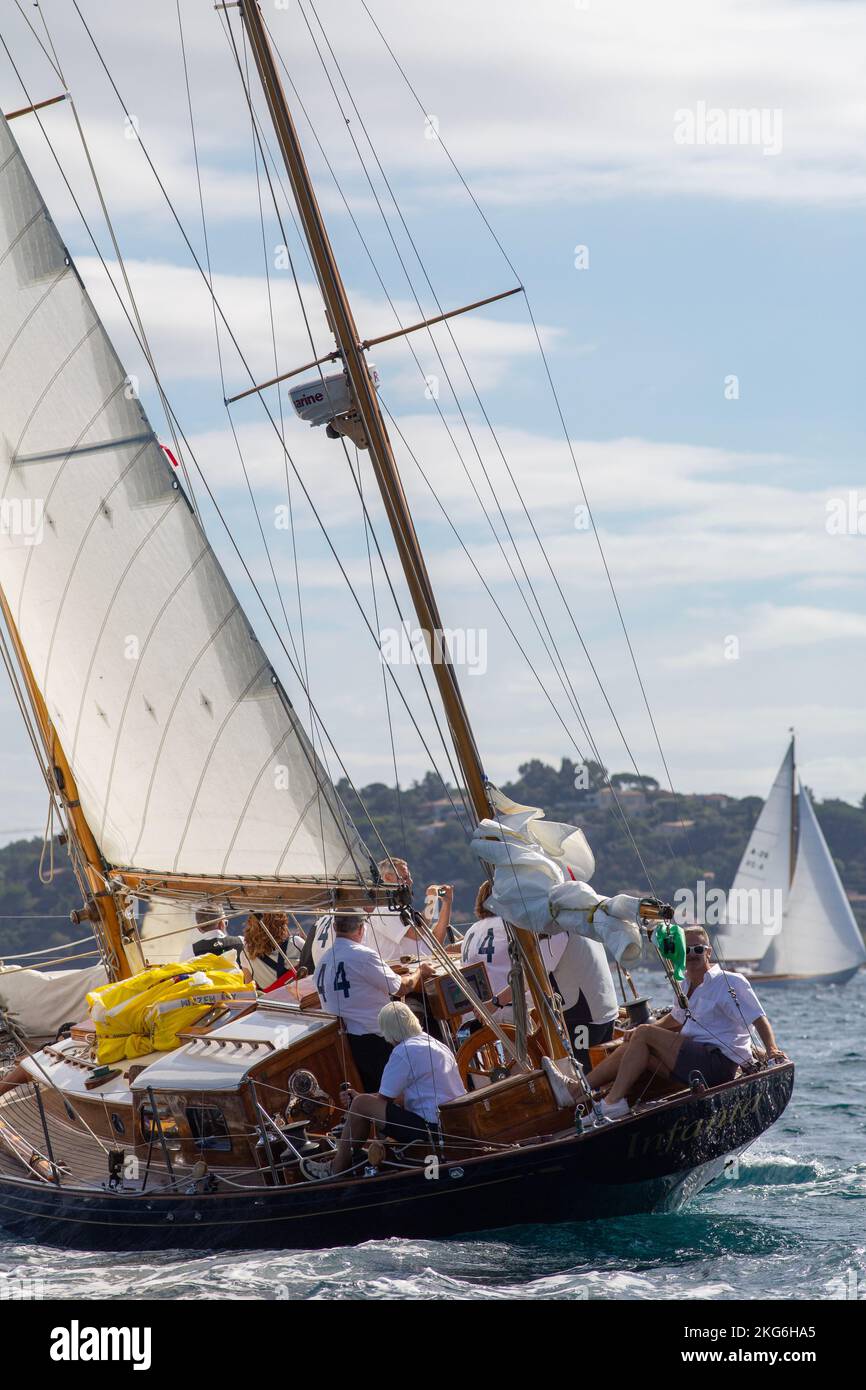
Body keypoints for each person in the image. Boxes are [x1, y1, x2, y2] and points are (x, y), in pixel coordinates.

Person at [572, 925, 787, 1119]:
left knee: (644, 1034)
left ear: (708, 952)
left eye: (699, 949)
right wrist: (639, 1031)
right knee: (637, 1042)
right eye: (688, 950)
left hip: (718, 1065)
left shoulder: (729, 981)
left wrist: (772, 1050)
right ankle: (579, 1090)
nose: (693, 955)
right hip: (692, 1062)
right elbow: (676, 1018)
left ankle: (612, 1103)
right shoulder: (684, 985)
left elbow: (758, 1018)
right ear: (681, 953)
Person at [303, 1001, 466, 1179]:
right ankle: (356, 1157)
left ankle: (334, 1168)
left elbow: (382, 1100)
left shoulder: (403, 1051)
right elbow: (403, 1096)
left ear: (387, 1031)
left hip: (428, 1129)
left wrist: (358, 1099)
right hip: (450, 1124)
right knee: (363, 1101)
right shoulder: (436, 1044)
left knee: (360, 1104)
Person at [315, 913, 434, 1090]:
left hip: (347, 1044)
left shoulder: (322, 963)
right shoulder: (363, 956)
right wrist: (420, 972)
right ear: (362, 929)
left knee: (376, 1094)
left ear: (334, 928)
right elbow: (401, 988)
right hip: (377, 1042)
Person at [550, 933, 619, 1070]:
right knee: (598, 1072)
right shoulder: (580, 923)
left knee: (583, 1072)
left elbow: (533, 976)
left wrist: (497, 1003)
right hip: (607, 1012)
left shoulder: (555, 931)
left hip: (583, 1018)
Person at [243, 912, 295, 991]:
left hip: (271, 1002)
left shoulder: (246, 953)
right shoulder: (295, 944)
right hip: (300, 999)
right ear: (281, 922)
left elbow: (250, 990)